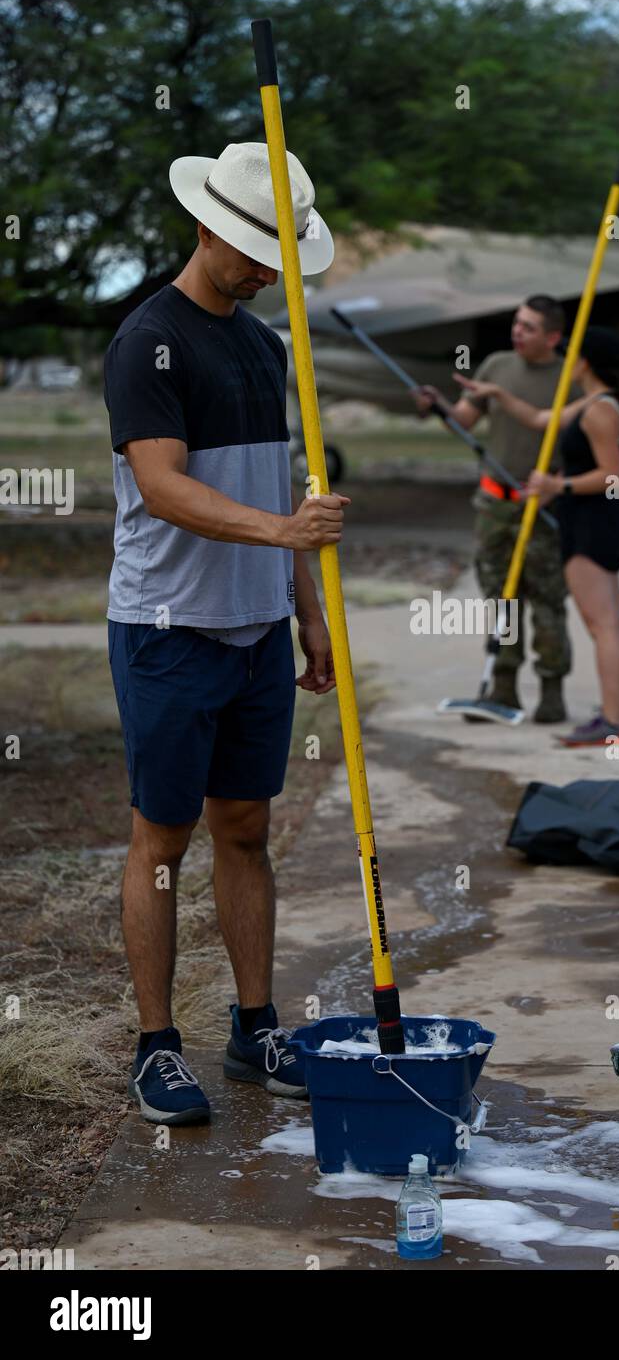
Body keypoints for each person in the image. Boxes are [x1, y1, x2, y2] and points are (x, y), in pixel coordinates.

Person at [104, 141, 348, 1126]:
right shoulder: (146, 342)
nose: (261, 270)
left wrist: (308, 609)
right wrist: (285, 530)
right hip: (169, 630)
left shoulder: (264, 342)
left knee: (244, 830)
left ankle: (256, 1027)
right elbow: (163, 486)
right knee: (161, 839)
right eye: (251, 250)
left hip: (255, 633)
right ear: (205, 226)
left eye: (275, 255)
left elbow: (276, 486)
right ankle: (157, 1044)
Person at [454, 326, 619, 746]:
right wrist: (497, 394)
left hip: (594, 522)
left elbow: (613, 476)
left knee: (603, 624)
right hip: (585, 520)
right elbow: (540, 419)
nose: (565, 359)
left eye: (571, 353)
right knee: (606, 622)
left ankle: (614, 719)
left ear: (586, 361)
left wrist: (559, 487)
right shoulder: (589, 403)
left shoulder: (600, 411)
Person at [414, 296, 578, 722]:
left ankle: (552, 688)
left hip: (543, 507)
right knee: (502, 599)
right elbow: (463, 421)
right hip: (494, 506)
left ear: (553, 336)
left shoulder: (571, 378)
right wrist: (438, 408)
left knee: (547, 599)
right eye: (517, 324)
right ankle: (502, 688)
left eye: (528, 327)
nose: (517, 332)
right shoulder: (496, 366)